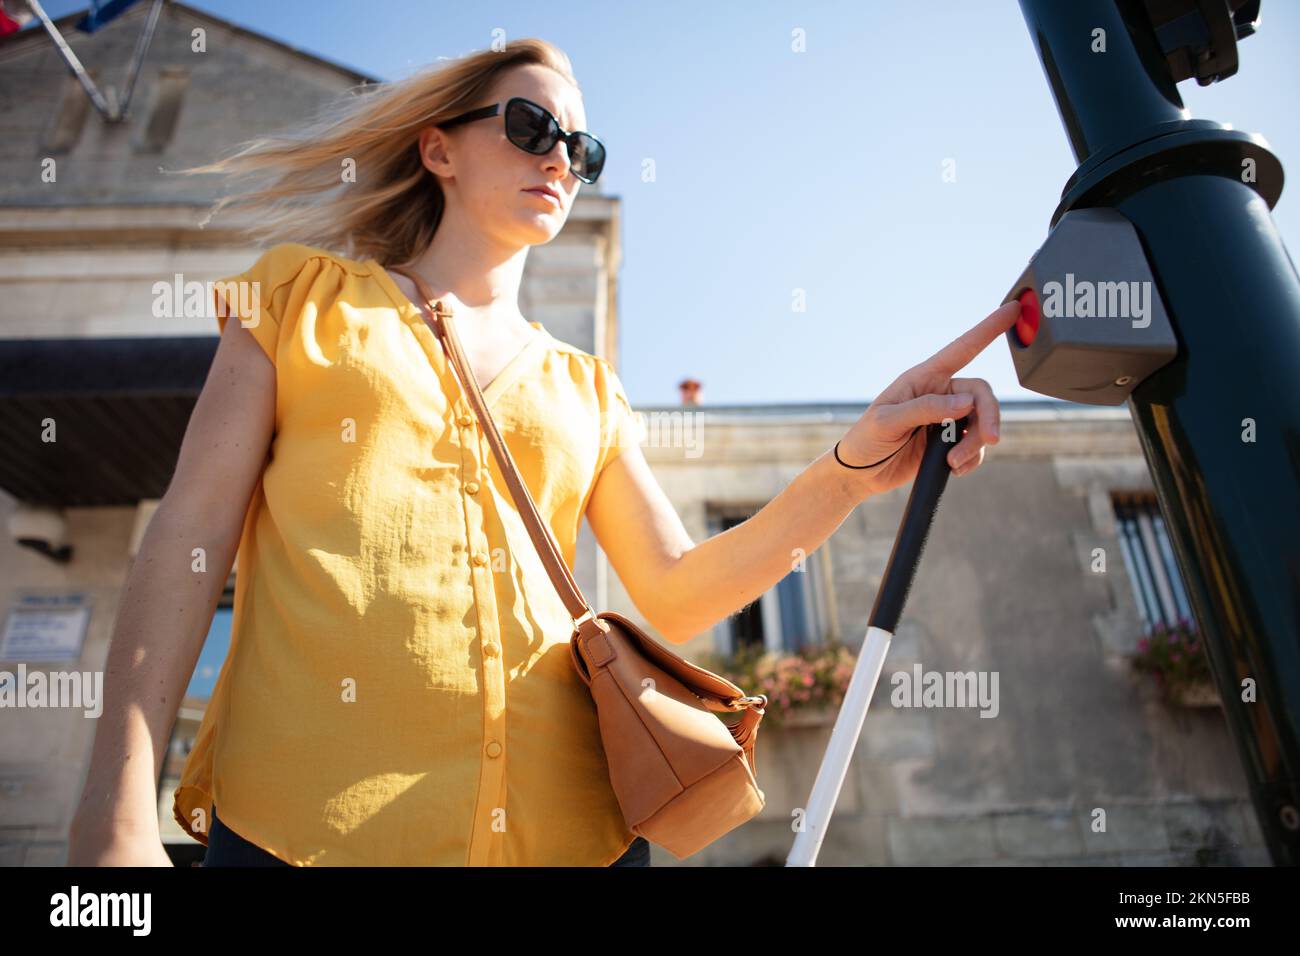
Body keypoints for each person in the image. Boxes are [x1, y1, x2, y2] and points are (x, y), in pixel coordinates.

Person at [66, 37, 1016, 868]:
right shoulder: (300, 301)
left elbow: (680, 589)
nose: (561, 157)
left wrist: (851, 464)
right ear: (438, 147)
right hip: (306, 833)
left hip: (574, 839)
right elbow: (188, 539)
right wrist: (116, 812)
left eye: (582, 147)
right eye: (531, 126)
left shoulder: (586, 387)